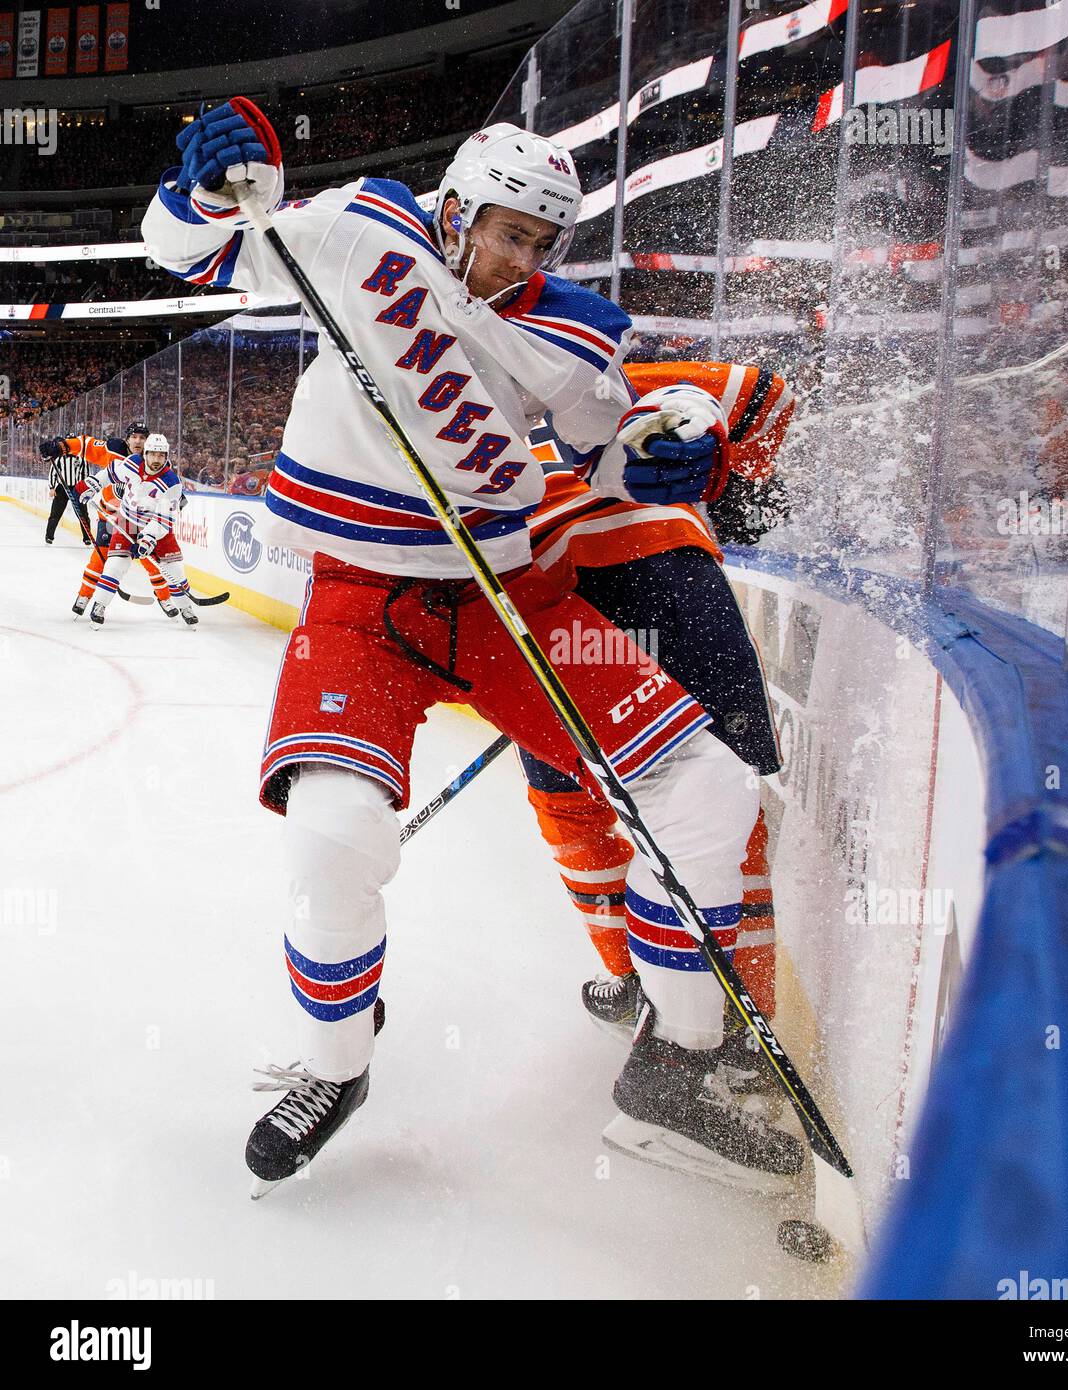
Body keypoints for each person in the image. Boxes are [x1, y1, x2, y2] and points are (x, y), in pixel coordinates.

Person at [141, 99, 804, 1195]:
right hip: (362, 609)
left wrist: (670, 455)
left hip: (513, 606)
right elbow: (187, 253)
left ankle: (676, 1067)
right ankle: (334, 1066)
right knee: (331, 840)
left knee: (706, 786)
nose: (520, 260)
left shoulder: (573, 324)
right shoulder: (364, 233)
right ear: (454, 209)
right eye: (506, 233)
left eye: (541, 244)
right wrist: (213, 189)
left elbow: (608, 449)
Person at [521, 359, 794, 1087]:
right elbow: (764, 397)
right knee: (721, 815)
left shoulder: (440, 408)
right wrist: (729, 489)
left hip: (547, 614)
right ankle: (743, 1029)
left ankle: (636, 984)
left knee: (575, 810)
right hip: (668, 578)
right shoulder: (604, 373)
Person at [83, 433, 197, 628]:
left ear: (166, 456)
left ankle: (186, 607)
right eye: (153, 454)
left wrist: (147, 540)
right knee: (115, 565)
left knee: (174, 570)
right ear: (146, 453)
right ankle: (99, 605)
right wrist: (94, 485)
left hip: (156, 527)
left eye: (161, 455)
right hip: (127, 521)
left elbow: (163, 520)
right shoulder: (132, 463)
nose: (156, 460)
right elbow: (110, 473)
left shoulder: (172, 482)